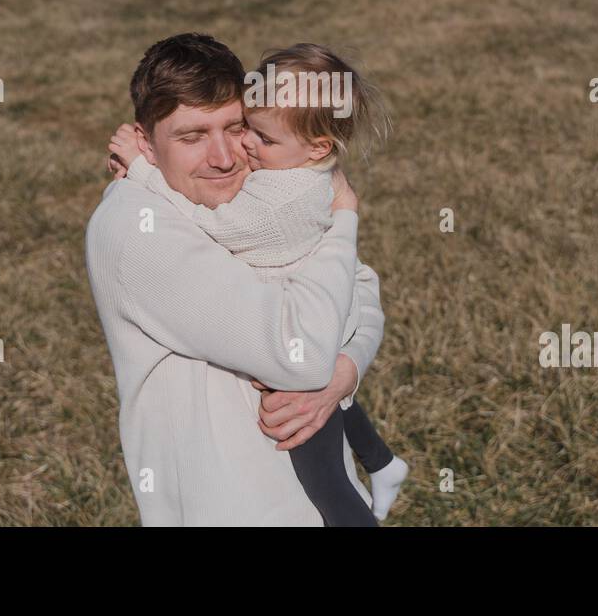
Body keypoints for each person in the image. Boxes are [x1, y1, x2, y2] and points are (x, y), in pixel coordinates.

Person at [85, 33, 385, 525]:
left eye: (236, 128)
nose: (225, 157)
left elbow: (359, 283)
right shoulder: (136, 228)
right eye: (192, 137)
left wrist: (347, 369)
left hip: (322, 498)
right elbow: (304, 355)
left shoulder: (258, 192)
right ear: (145, 142)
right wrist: (344, 218)